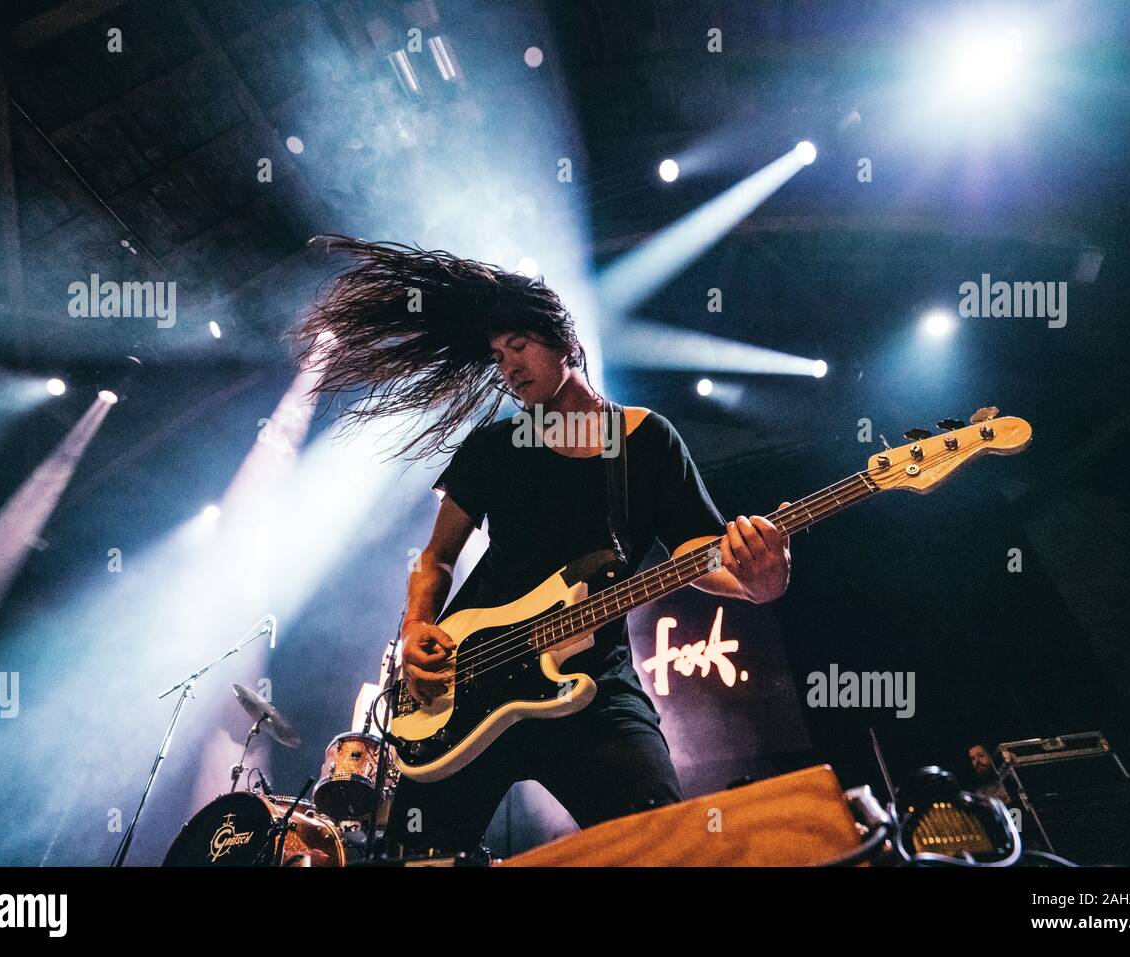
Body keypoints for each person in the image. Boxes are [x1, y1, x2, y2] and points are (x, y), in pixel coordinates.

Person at [296, 237, 792, 855]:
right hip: (467, 683)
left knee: (664, 844)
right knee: (416, 856)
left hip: (591, 685)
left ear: (563, 340)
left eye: (520, 346)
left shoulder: (647, 440)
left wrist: (760, 581)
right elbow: (436, 557)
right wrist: (419, 624)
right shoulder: (492, 448)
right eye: (498, 356)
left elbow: (700, 556)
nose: (508, 368)